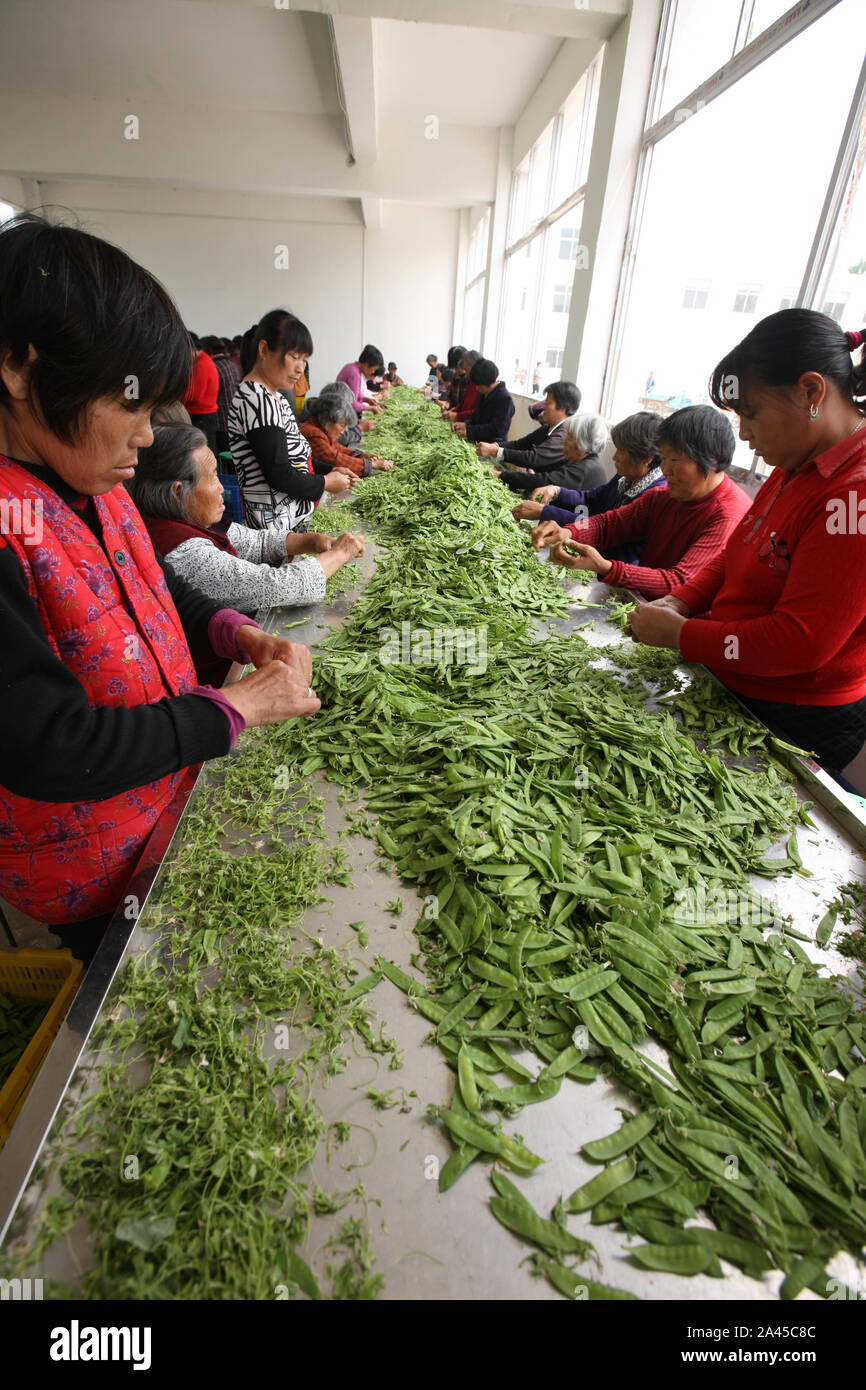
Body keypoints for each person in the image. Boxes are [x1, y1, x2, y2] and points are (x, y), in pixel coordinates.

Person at [0, 216, 318, 963]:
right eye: (130, 405)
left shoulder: (96, 483)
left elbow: (152, 590)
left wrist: (235, 632)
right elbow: (49, 745)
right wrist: (233, 708)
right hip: (91, 868)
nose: (146, 437)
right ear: (19, 365)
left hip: (166, 806)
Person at [628, 310, 866, 778]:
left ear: (811, 392)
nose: (743, 434)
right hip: (734, 678)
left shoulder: (855, 496)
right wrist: (680, 601)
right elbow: (737, 554)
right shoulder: (796, 462)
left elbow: (799, 643)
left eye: (751, 413)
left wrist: (681, 636)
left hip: (793, 713)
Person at [131, 424, 366, 651]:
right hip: (219, 670)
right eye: (213, 477)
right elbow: (278, 585)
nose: (222, 487)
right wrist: (341, 553)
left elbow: (256, 542)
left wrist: (311, 541)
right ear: (178, 491)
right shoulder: (184, 553)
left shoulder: (184, 518)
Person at [533, 404, 750, 598]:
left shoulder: (727, 516)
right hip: (646, 607)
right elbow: (608, 524)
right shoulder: (664, 496)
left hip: (680, 625)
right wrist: (569, 532)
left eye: (674, 460)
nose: (666, 470)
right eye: (663, 459)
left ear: (713, 461)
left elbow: (679, 582)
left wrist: (606, 568)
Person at [229, 310, 354, 531]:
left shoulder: (275, 396)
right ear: (264, 349)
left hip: (290, 519)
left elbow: (293, 458)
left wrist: (331, 469)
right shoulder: (257, 399)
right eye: (294, 357)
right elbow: (279, 474)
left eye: (304, 360)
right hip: (274, 527)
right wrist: (326, 482)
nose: (300, 368)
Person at [513, 412, 665, 565]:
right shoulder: (625, 477)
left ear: (647, 460)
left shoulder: (653, 496)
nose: (614, 457)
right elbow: (591, 498)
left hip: (615, 566)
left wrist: (545, 512)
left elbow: (607, 532)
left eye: (621, 452)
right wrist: (557, 491)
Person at [478, 381, 581, 489]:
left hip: (546, 493)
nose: (543, 406)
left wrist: (495, 451)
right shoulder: (548, 428)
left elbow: (533, 458)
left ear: (563, 408)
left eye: (548, 403)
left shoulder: (563, 435)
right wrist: (495, 446)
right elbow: (520, 444)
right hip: (533, 483)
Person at [300, 393, 393, 476]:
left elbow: (337, 448)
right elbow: (334, 458)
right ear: (327, 420)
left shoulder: (320, 428)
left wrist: (361, 455)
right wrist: (372, 465)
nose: (343, 431)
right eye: (342, 425)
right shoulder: (314, 434)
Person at [201, 335, 241, 456]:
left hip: (221, 421)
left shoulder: (214, 367)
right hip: (236, 419)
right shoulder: (233, 365)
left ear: (209, 351)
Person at [182, 337, 219, 450]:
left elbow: (194, 396)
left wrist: (174, 396)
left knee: (203, 451)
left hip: (202, 416)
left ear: (191, 349)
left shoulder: (201, 364)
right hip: (204, 415)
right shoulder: (203, 360)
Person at [338, 346, 386, 417]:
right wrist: (371, 408)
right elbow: (352, 404)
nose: (373, 372)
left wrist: (367, 400)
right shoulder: (355, 374)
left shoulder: (351, 367)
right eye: (373, 369)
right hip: (340, 412)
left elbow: (354, 395)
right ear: (366, 364)